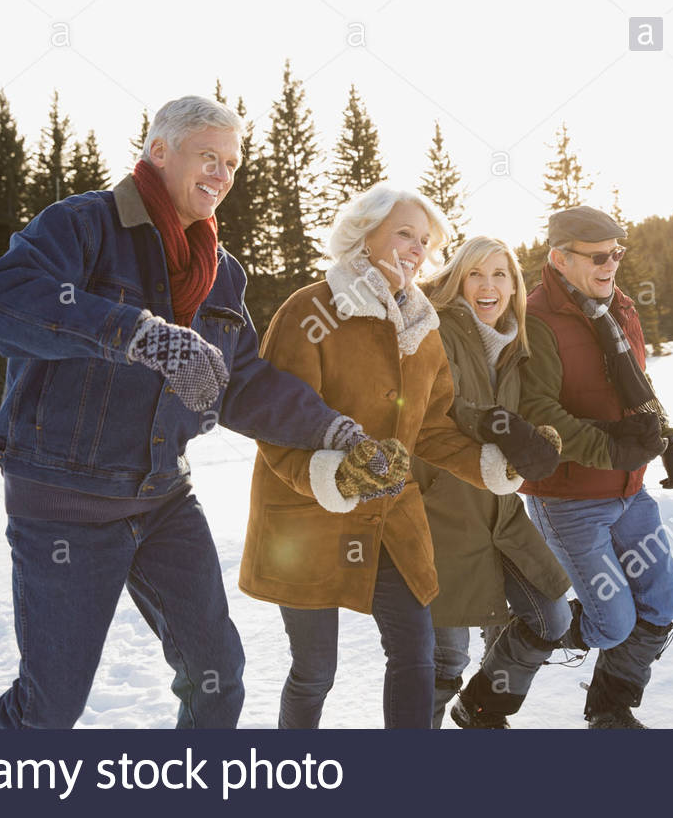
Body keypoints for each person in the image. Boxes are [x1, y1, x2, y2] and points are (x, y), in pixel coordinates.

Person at [0, 96, 385, 729]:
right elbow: (6, 297)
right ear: (160, 152)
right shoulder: (85, 225)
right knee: (46, 713)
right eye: (207, 156)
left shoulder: (220, 272)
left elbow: (238, 380)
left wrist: (332, 431)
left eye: (232, 164)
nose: (221, 175)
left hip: (162, 498)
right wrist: (134, 332)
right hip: (64, 502)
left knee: (219, 681)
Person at [239, 185, 562, 729]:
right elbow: (275, 422)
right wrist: (337, 474)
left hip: (393, 518)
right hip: (308, 519)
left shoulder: (423, 329)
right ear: (365, 236)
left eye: (424, 240)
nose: (415, 248)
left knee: (416, 658)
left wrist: (495, 465)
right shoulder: (312, 309)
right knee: (316, 671)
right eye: (403, 234)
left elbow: (432, 430)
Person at [519, 206, 673, 729]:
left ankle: (609, 712)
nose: (611, 262)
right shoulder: (536, 320)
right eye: (598, 255)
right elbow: (538, 412)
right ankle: (525, 635)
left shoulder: (618, 308)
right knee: (611, 622)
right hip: (568, 496)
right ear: (560, 258)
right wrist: (610, 450)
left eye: (617, 252)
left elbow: (639, 387)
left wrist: (669, 441)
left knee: (661, 604)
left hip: (629, 491)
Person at [416, 236, 574, 729]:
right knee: (444, 661)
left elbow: (534, 408)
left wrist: (545, 438)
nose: (488, 286)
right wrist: (502, 427)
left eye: (500, 274)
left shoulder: (514, 342)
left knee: (551, 617)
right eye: (476, 274)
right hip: (443, 509)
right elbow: (444, 404)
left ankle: (480, 710)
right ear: (457, 280)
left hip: (500, 509)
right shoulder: (437, 329)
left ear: (514, 284)